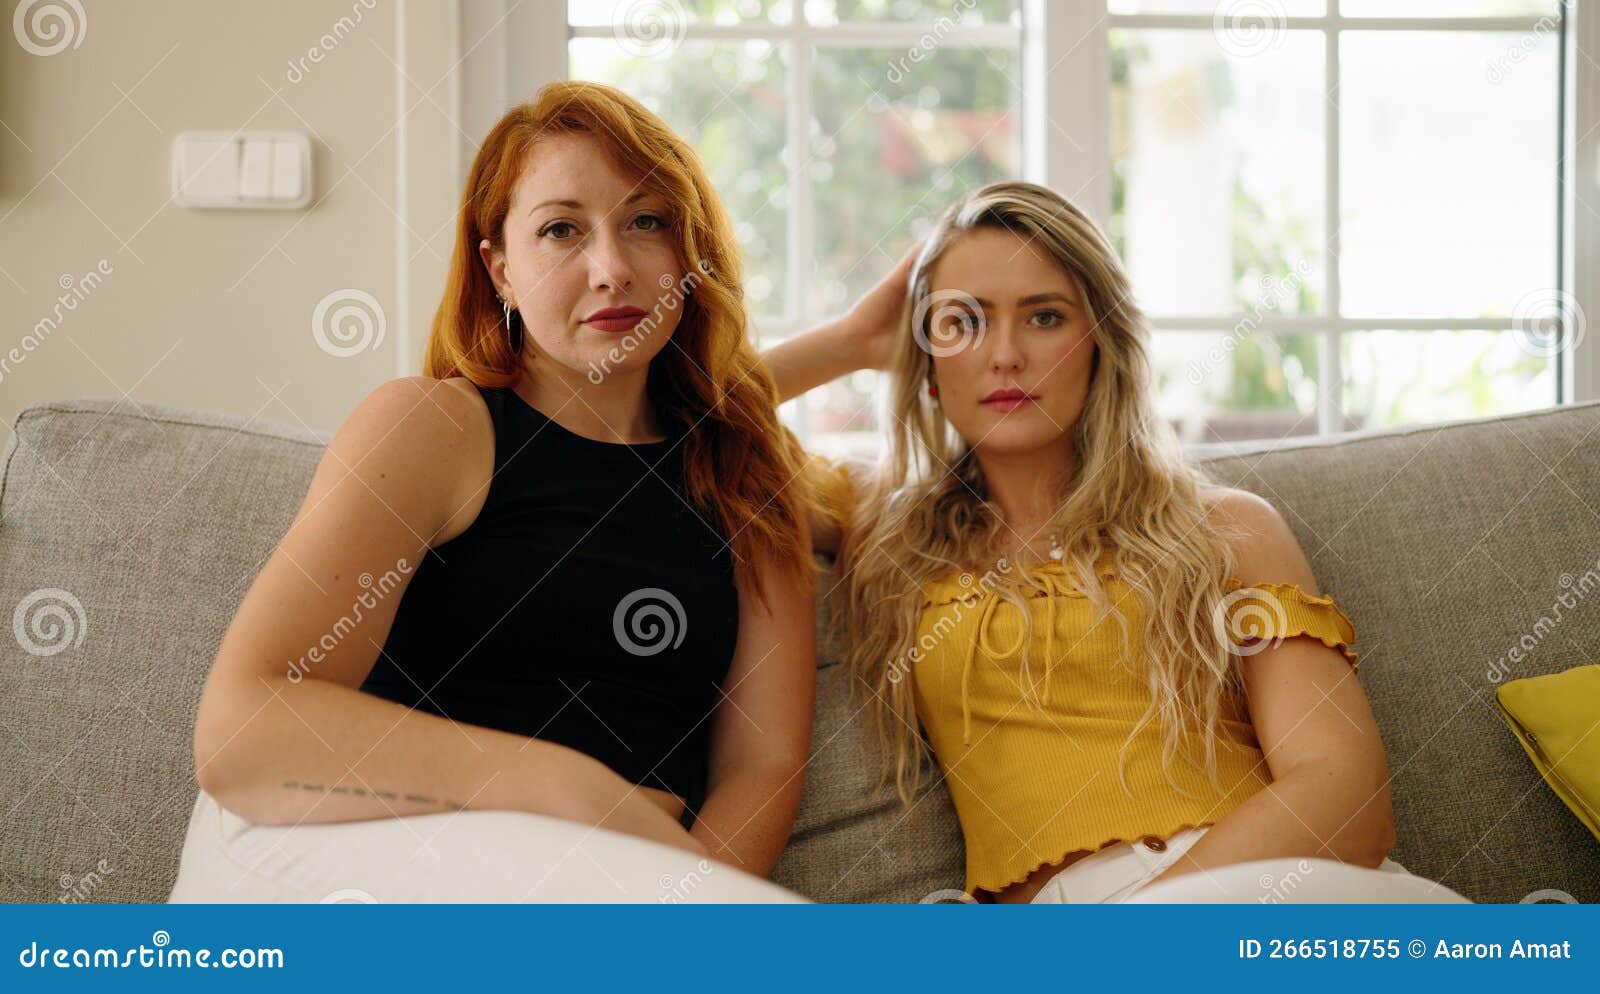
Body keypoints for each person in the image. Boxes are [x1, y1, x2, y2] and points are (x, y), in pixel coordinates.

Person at [169, 81, 826, 903]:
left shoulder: (747, 476)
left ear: (688, 260)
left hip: (612, 890)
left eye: (647, 222)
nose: (613, 268)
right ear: (501, 269)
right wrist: (580, 794)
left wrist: (677, 910)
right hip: (353, 852)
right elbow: (244, 735)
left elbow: (760, 766)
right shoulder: (434, 428)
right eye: (561, 229)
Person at [762, 180, 1470, 905]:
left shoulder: (1225, 528)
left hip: (1267, 894)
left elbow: (1345, 794)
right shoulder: (882, 522)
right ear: (929, 365)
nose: (1005, 354)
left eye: (1044, 316)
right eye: (963, 323)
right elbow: (681, 428)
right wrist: (849, 343)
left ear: (1100, 344)